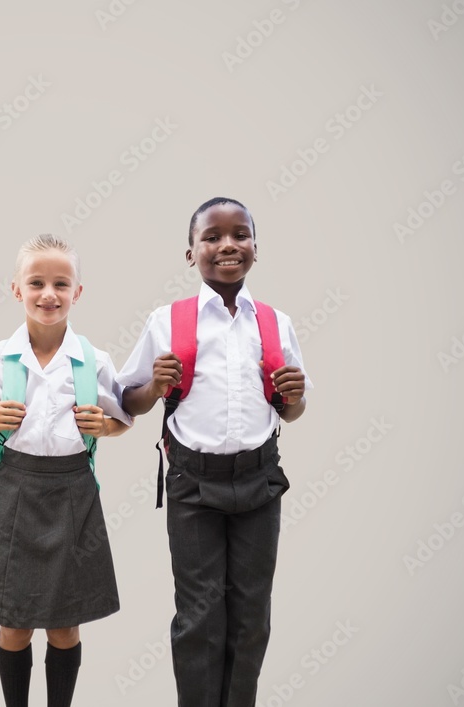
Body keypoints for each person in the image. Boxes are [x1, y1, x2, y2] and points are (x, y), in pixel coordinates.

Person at [118, 197, 310, 707]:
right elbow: (128, 402)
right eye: (212, 237)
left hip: (260, 481)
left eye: (240, 234)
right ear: (191, 254)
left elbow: (290, 411)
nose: (227, 245)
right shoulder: (167, 321)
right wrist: (154, 386)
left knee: (251, 615)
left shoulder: (275, 322)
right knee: (200, 615)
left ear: (255, 247)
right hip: (193, 484)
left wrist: (294, 396)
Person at [0, 234, 131, 707]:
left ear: (77, 292)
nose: (49, 294)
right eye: (36, 283)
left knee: (65, 622)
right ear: (16, 290)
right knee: (15, 622)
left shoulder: (95, 361)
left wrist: (104, 428)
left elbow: (123, 420)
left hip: (74, 493)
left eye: (61, 284)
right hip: (14, 491)